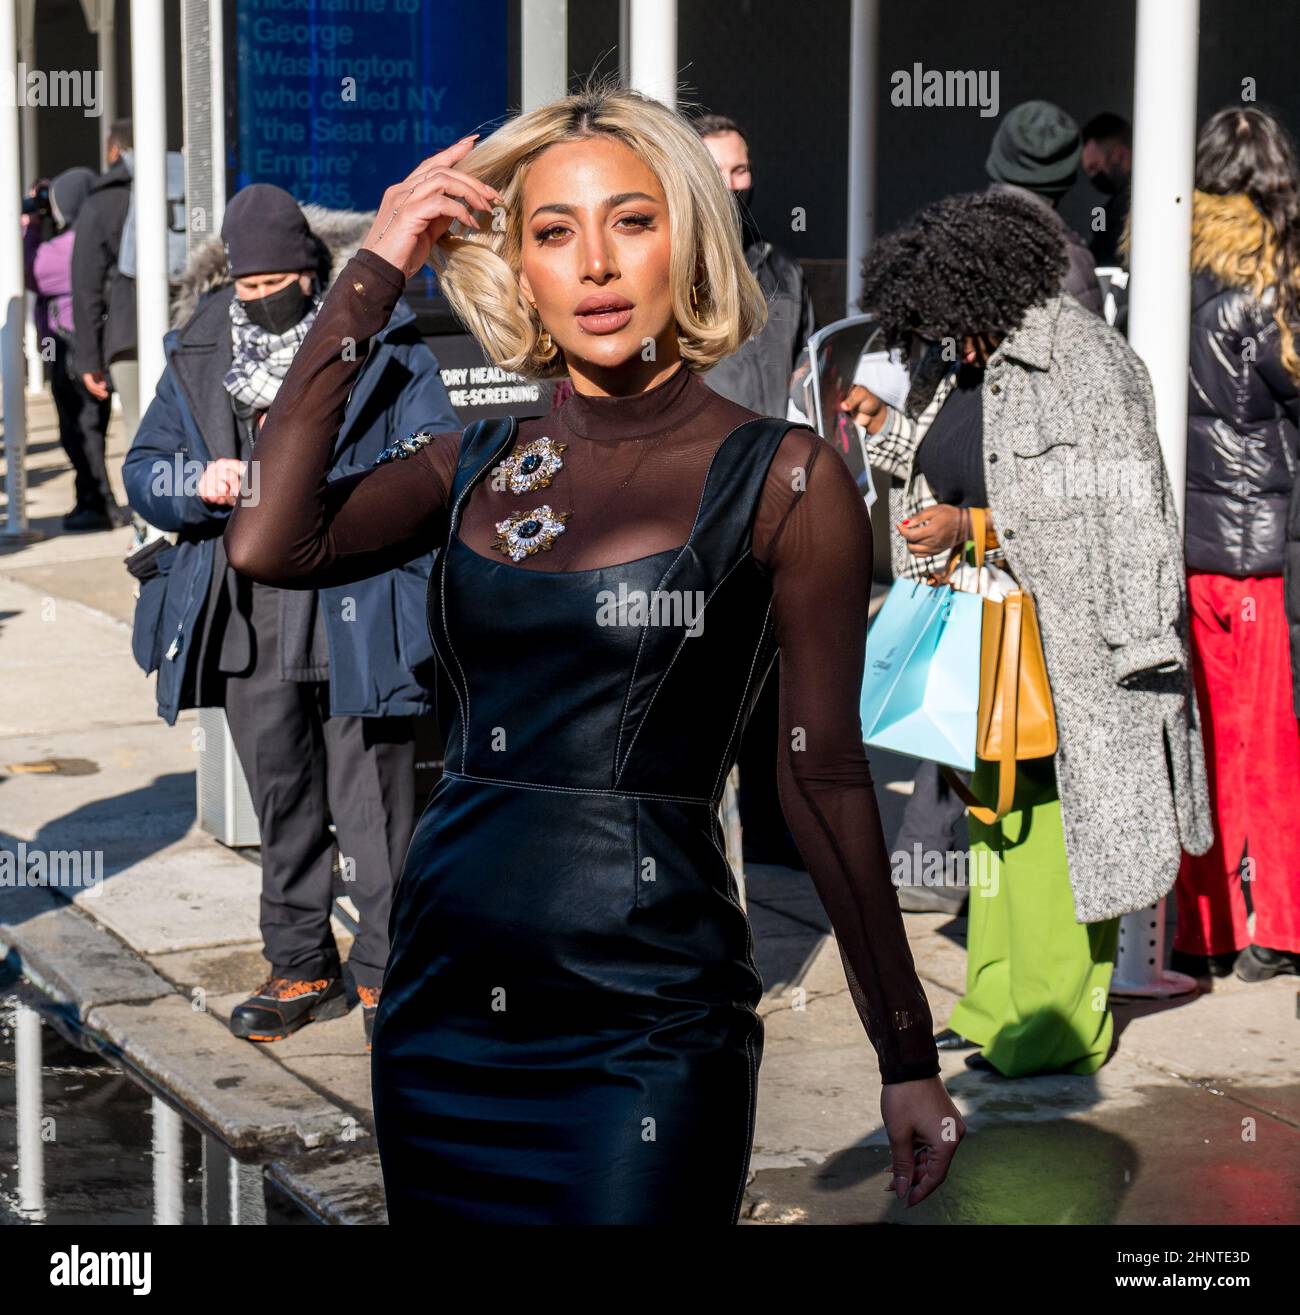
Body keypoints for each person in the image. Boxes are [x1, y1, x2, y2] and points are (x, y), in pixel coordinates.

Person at [224, 81, 963, 1224]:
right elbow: (271, 537)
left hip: (649, 1028)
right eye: (554, 233)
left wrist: (904, 1052)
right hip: (446, 1014)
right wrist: (373, 266)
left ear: (690, 240)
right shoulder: (470, 460)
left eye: (632, 220)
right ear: (518, 266)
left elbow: (818, 777)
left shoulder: (788, 478)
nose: (597, 267)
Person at [856, 188, 1212, 1077]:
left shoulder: (1086, 365)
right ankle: (994, 1004)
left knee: (1059, 831)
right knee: (997, 824)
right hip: (987, 631)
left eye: (948, 321)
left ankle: (1050, 1025)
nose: (941, 341)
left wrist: (973, 535)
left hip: (1077, 651)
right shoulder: (972, 361)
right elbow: (966, 464)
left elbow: (1126, 514)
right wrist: (890, 435)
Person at [122, 184, 460, 1048]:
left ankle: (392, 971)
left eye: (277, 281)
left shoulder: (380, 342)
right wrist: (198, 485)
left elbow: (434, 447)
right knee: (285, 801)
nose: (260, 298)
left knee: (380, 804)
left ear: (313, 274)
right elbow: (143, 467)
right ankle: (302, 963)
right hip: (246, 614)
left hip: (359, 600)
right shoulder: (198, 351)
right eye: (246, 285)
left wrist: (346, 494)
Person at [1175, 107, 1300, 983]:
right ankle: (1282, 929)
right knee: (1271, 744)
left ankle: (1203, 927)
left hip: (1189, 546)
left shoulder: (1163, 267)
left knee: (1200, 742)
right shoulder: (1274, 286)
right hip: (1262, 552)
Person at [693, 111, 818, 871]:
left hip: (776, 501)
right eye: (718, 172)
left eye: (741, 171)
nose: (734, 185)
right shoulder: (663, 270)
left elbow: (805, 373)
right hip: (695, 510)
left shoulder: (781, 272)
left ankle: (775, 834)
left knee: (777, 673)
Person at [24, 166, 131, 531]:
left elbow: (28, 272)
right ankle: (93, 499)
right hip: (71, 349)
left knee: (80, 431)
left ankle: (98, 503)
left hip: (71, 351)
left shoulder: (63, 249)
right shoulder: (82, 239)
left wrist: (31, 228)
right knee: (87, 430)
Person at [985, 100, 1104, 316]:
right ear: (1065, 176)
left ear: (999, 156)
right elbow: (1093, 348)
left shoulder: (952, 240)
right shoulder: (1065, 261)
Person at [71, 119, 140, 441]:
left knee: (141, 435)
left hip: (127, 336)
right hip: (189, 328)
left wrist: (88, 358)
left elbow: (87, 287)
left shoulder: (102, 200)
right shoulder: (188, 186)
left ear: (114, 150)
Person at [1081, 112, 1133, 270]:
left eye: (1094, 167)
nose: (1093, 176)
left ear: (1118, 155)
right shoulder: (1104, 212)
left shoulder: (1121, 207)